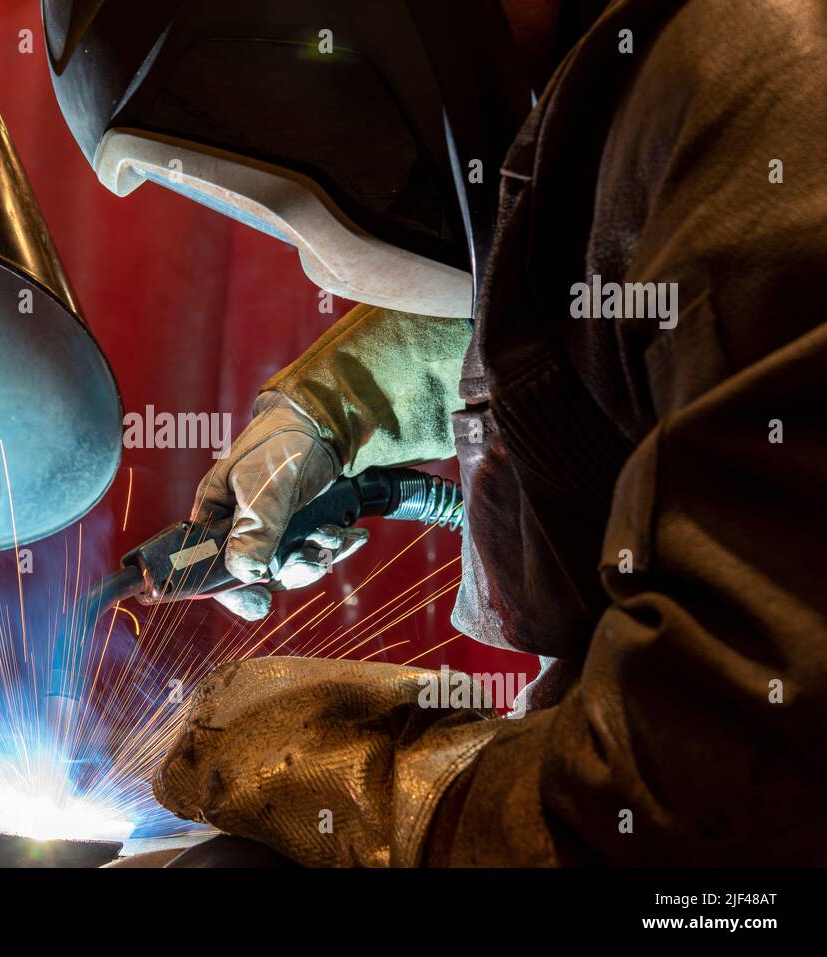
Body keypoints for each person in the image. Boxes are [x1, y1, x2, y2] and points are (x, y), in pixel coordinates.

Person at [45, 0, 827, 864]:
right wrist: (330, 408)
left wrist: (370, 775)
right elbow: (590, 291)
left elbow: (706, 803)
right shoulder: (621, 88)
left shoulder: (758, 78)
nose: (310, 254)